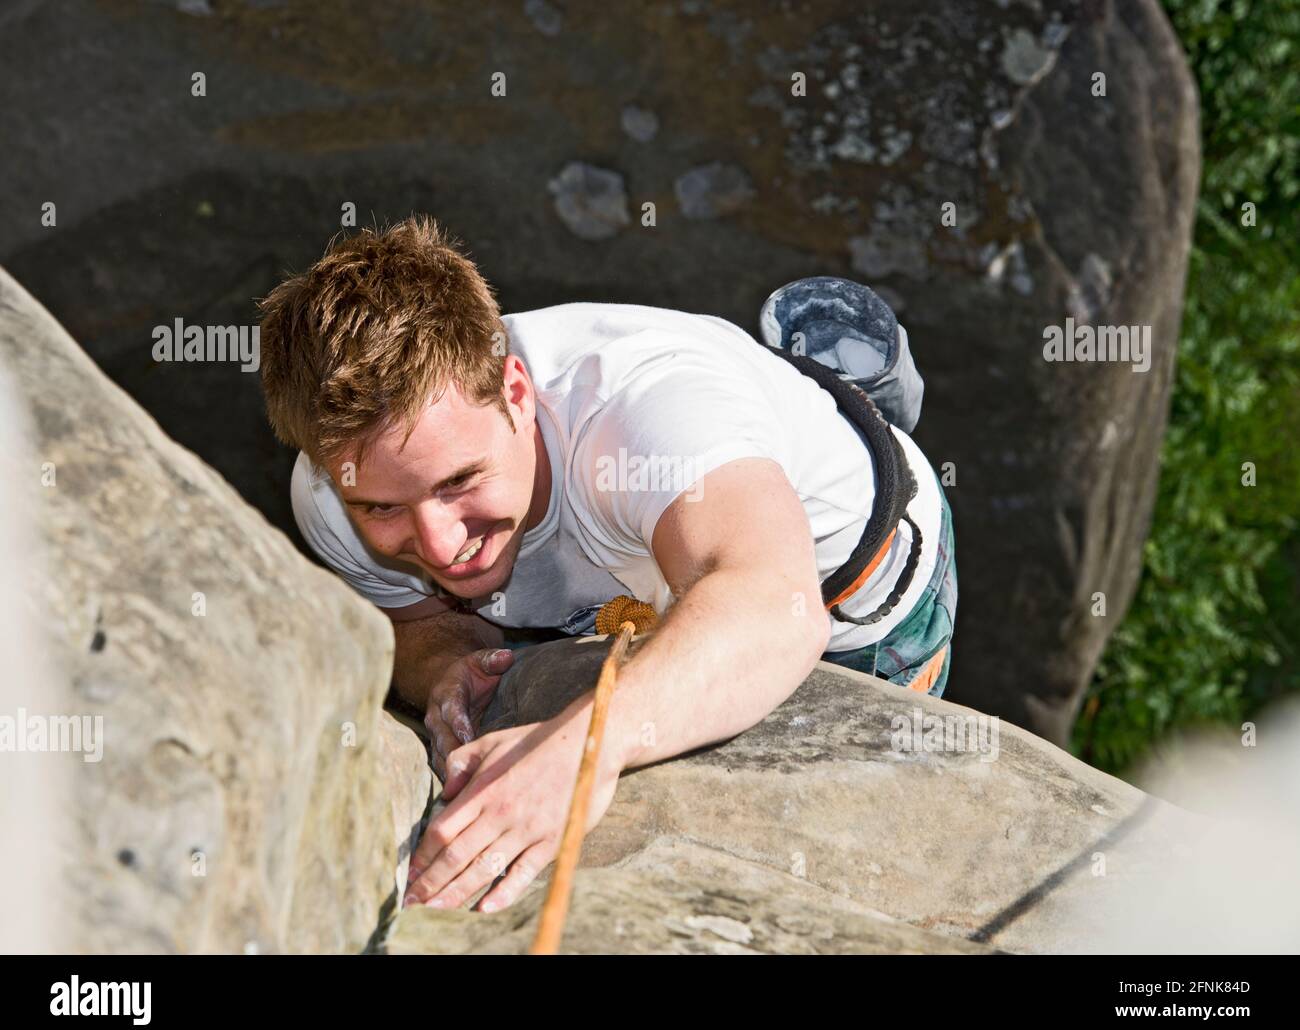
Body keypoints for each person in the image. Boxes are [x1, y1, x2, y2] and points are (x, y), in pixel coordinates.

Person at [257, 216, 957, 913]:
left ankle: (842, 393)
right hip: (630, 586)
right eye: (384, 509)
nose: (439, 545)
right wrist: (445, 667)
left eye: (458, 482)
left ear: (517, 393)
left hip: (843, 593)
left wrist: (582, 753)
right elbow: (418, 617)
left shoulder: (642, 417)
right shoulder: (332, 487)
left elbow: (777, 609)